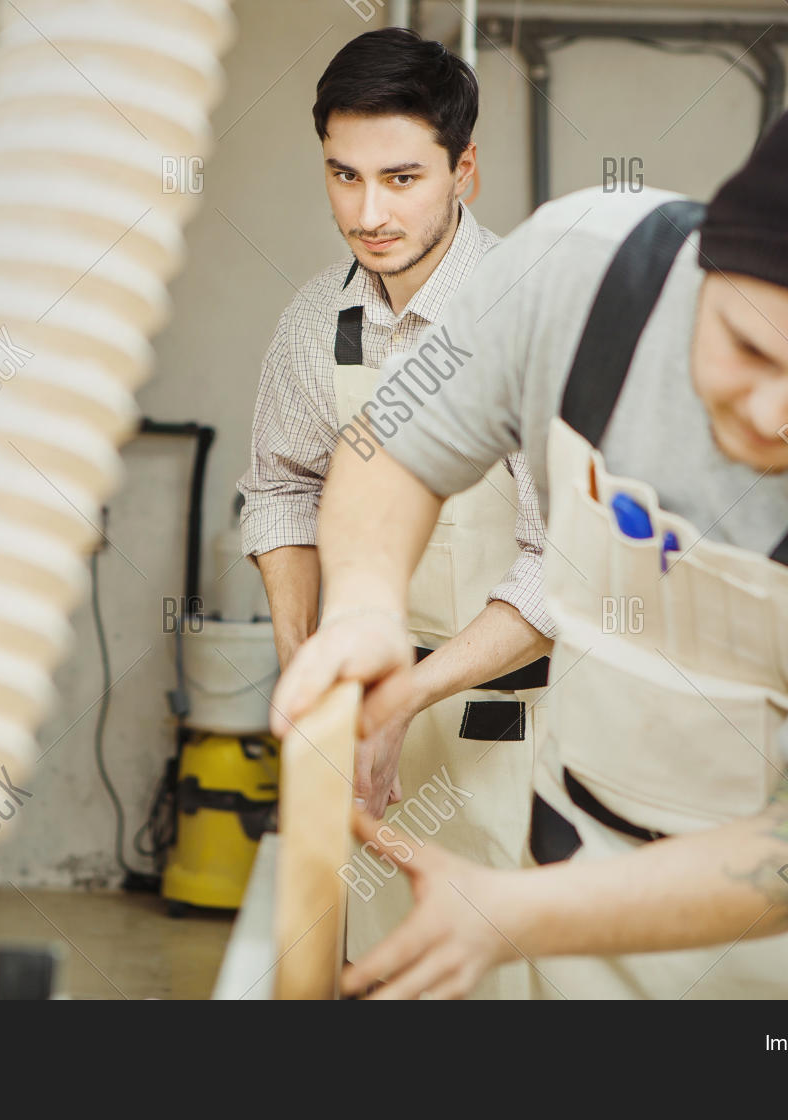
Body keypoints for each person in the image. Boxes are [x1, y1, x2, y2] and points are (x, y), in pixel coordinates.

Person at [273, 75, 788, 999]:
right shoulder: (576, 275)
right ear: (705, 264)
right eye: (748, 346)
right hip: (586, 872)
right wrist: (365, 605)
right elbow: (394, 450)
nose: (775, 415)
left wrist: (505, 914)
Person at [236, 28, 552, 998]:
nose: (369, 213)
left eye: (403, 178)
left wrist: (406, 697)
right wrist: (308, 663)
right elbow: (280, 487)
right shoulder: (312, 326)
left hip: (516, 732)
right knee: (377, 976)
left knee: (510, 984)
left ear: (467, 171)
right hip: (369, 729)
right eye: (344, 176)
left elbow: (562, 566)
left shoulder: (531, 316)